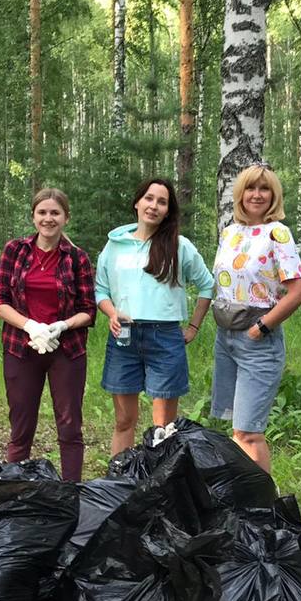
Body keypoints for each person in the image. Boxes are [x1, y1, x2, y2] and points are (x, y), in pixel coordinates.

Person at [96, 177, 214, 455]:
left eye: (162, 202)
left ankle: (160, 487)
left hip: (165, 338)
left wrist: (194, 326)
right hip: (123, 337)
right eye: (149, 198)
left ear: (168, 211)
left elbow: (207, 285)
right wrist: (111, 313)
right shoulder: (114, 246)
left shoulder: (180, 246)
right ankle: (119, 483)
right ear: (137, 203)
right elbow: (101, 289)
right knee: (124, 420)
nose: (154, 206)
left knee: (164, 427)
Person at [210, 164, 301, 471]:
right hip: (225, 337)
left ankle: (263, 507)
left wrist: (263, 326)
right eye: (251, 188)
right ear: (240, 194)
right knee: (235, 429)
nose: (257, 195)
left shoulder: (277, 233)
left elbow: (298, 290)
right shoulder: (229, 232)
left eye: (264, 189)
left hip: (257, 339)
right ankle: (243, 498)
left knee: (249, 432)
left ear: (273, 195)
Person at [0, 188, 96, 480]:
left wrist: (61, 325)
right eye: (42, 212)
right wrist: (29, 325)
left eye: (55, 213)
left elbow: (88, 310)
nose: (48, 219)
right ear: (33, 216)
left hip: (66, 351)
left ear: (65, 218)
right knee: (21, 426)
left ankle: (71, 491)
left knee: (69, 425)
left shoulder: (77, 258)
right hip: (21, 349)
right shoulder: (14, 250)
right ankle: (15, 490)